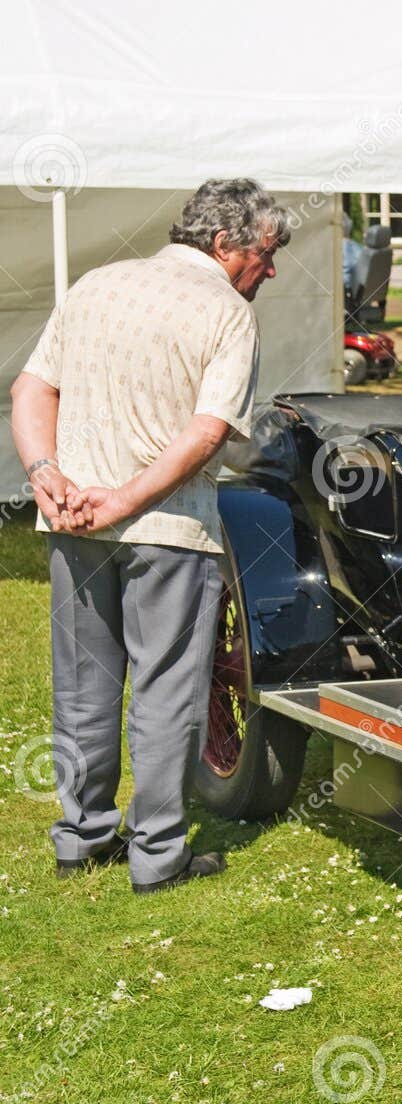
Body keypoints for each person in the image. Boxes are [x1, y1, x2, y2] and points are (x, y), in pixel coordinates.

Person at [8, 178, 288, 893]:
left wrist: (45, 475)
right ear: (225, 245)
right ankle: (158, 854)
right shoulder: (228, 311)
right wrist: (125, 500)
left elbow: (31, 389)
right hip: (166, 526)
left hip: (74, 519)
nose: (273, 267)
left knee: (82, 684)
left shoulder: (96, 283)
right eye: (267, 250)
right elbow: (208, 433)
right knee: (167, 688)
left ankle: (81, 836)